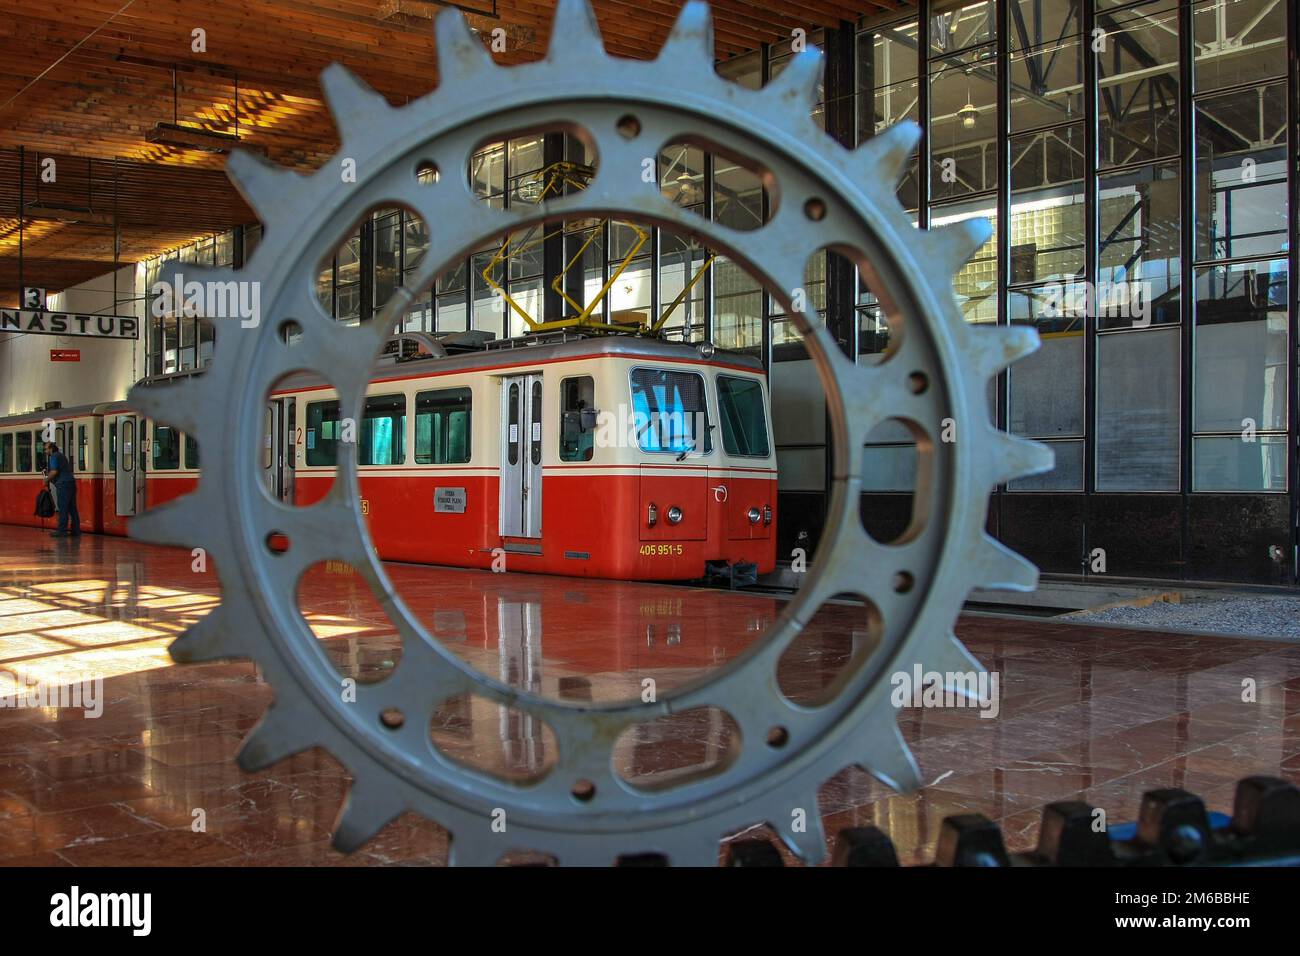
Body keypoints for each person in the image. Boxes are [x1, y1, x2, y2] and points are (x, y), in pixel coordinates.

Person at [44, 440, 81, 537]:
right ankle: (76, 530)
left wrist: (46, 480)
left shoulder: (54, 456)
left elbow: (54, 471)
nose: (45, 451)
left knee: (63, 507)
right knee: (72, 508)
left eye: (46, 449)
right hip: (71, 483)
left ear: (51, 449)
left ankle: (62, 530)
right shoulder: (62, 456)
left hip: (63, 484)